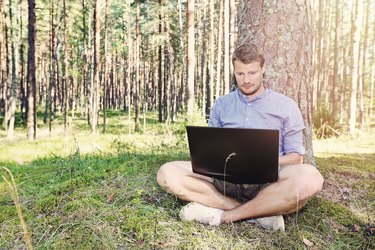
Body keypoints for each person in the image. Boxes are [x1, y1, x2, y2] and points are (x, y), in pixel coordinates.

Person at [156, 43, 324, 231]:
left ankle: (226, 215)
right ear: (234, 71)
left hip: (267, 181)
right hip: (225, 178)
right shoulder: (222, 104)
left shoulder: (286, 106)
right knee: (167, 173)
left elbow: (296, 158)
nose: (246, 80)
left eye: (252, 73)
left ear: (263, 68)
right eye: (240, 74)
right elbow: (209, 150)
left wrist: (261, 161)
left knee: (311, 178)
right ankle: (259, 213)